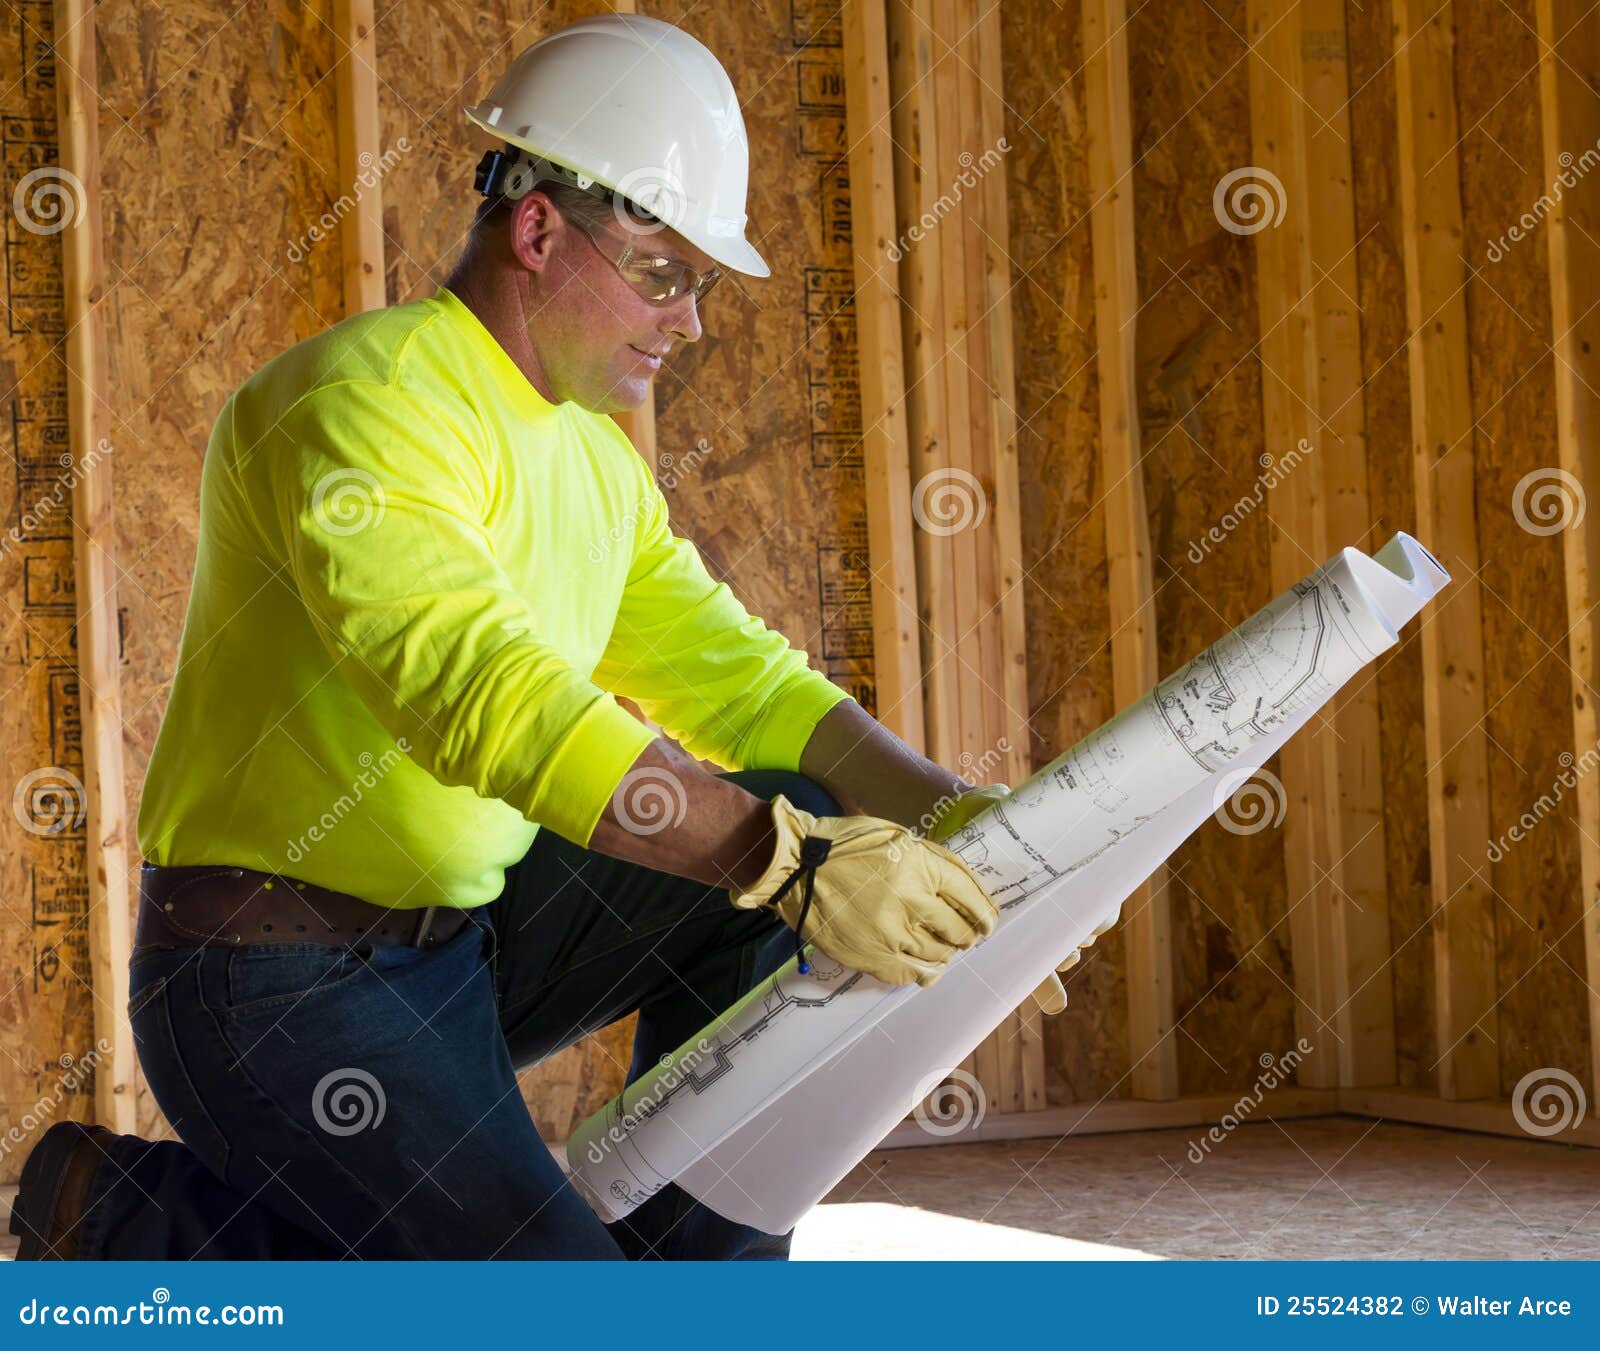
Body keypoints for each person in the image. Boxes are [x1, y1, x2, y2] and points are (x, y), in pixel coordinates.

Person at [10, 13, 1070, 1262]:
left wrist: (972, 828)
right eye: (665, 274)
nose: (686, 323)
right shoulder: (364, 404)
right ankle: (132, 1218)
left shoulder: (589, 460)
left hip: (459, 949)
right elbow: (483, 695)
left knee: (786, 797)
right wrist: (791, 864)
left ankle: (687, 1274)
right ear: (538, 228)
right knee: (552, 1302)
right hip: (274, 982)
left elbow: (741, 685)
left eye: (700, 286)